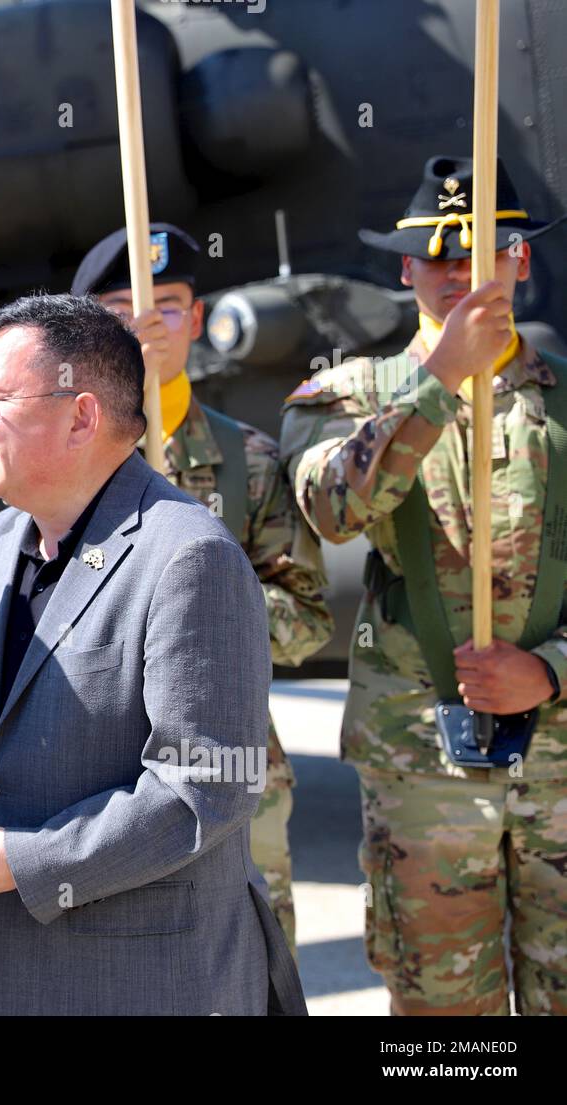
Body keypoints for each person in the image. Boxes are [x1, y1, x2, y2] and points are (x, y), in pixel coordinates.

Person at [0, 292, 305, 1015]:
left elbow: (204, 787)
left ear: (82, 414)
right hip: (12, 974)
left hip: (149, 981)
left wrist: (27, 862)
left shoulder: (188, 555)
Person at [280, 155, 567, 1015]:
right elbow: (335, 506)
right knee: (444, 1021)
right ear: (405, 269)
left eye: (483, 251)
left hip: (561, 763)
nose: (458, 272)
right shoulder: (345, 393)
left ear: (520, 260)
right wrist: (439, 377)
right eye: (437, 256)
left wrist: (551, 667)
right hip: (422, 766)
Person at [70, 223, 333, 954]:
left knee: (246, 965)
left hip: (236, 775)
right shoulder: (63, 459)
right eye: (121, 311)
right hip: (97, 776)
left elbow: (308, 617)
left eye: (169, 306)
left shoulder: (246, 461)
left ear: (199, 316)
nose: (147, 326)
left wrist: (199, 618)